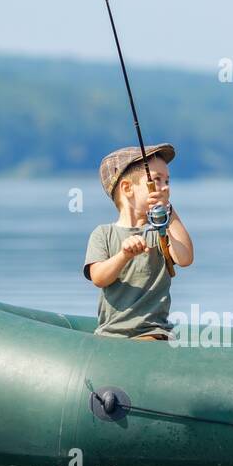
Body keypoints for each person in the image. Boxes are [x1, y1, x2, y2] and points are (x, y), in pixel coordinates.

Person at [84, 144, 195, 339]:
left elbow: (185, 258)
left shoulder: (160, 233)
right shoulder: (102, 234)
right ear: (127, 188)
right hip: (109, 334)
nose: (166, 187)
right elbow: (99, 278)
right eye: (157, 180)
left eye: (167, 180)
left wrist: (168, 211)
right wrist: (123, 255)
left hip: (153, 332)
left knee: (149, 341)